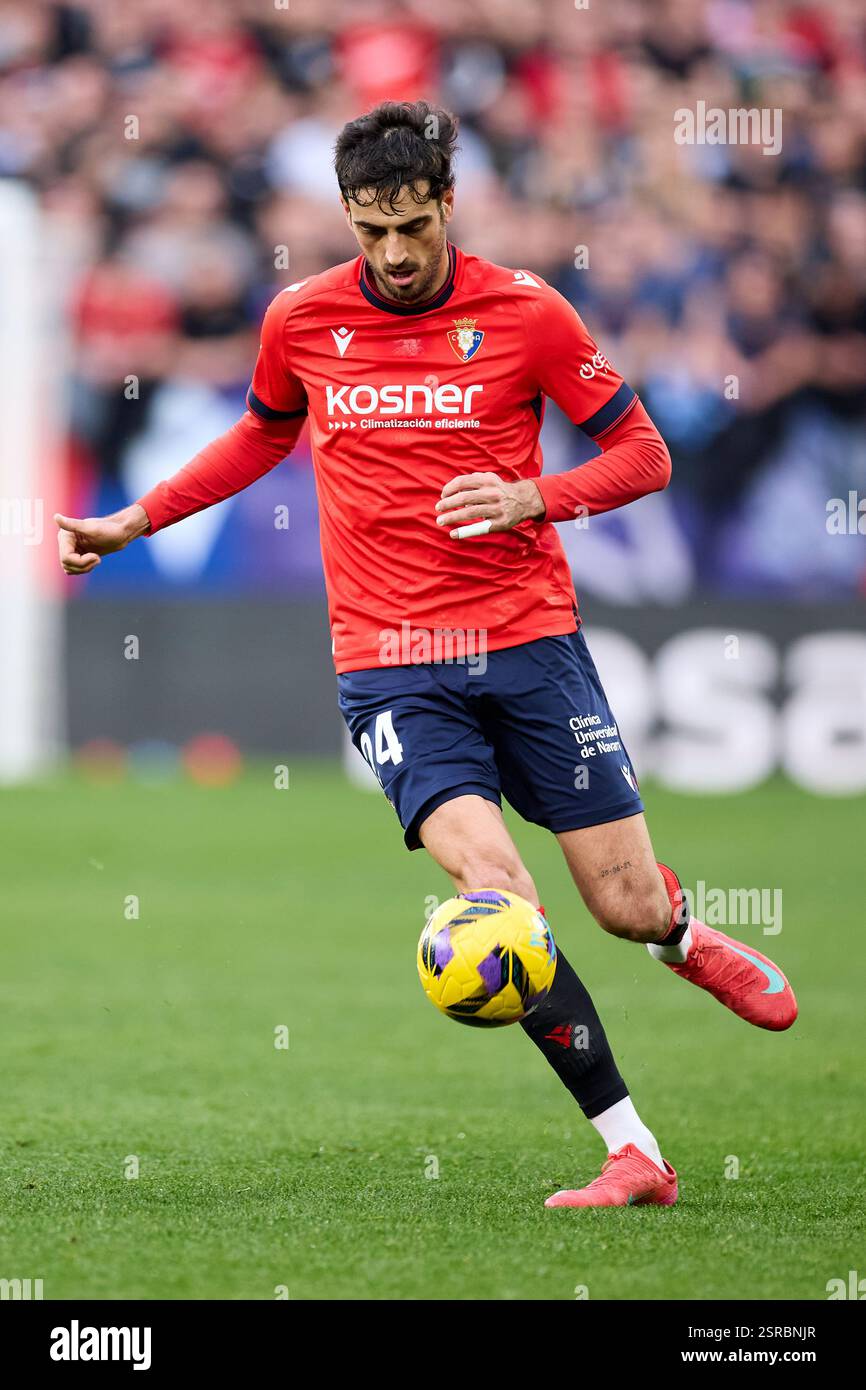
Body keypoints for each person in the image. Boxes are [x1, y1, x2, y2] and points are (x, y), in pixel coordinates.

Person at [55, 101, 797, 1208]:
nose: (393, 254)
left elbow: (642, 455)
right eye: (370, 231)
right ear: (347, 219)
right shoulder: (301, 320)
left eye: (412, 226)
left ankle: (677, 932)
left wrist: (530, 496)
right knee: (497, 900)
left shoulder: (529, 313)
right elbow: (264, 430)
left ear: (448, 203)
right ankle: (632, 1149)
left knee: (622, 903)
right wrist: (137, 519)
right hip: (391, 662)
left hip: (528, 642)